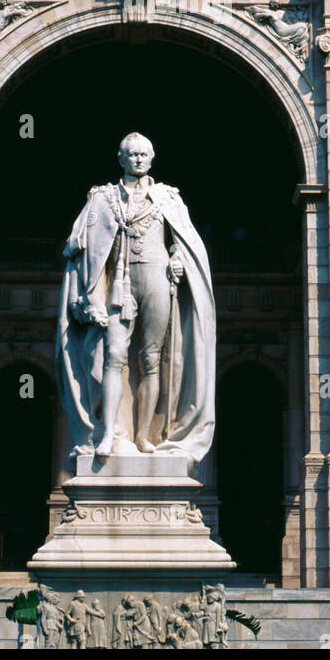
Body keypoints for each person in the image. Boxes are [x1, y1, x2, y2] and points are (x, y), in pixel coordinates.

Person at [56, 133, 216, 464]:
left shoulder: (168, 197)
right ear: (121, 158)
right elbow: (80, 246)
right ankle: (108, 434)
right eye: (132, 154)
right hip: (119, 286)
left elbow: (184, 241)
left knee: (151, 360)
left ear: (152, 158)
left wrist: (177, 257)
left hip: (157, 279)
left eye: (144, 154)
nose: (139, 159)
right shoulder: (102, 198)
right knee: (114, 354)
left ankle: (144, 435)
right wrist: (89, 297)